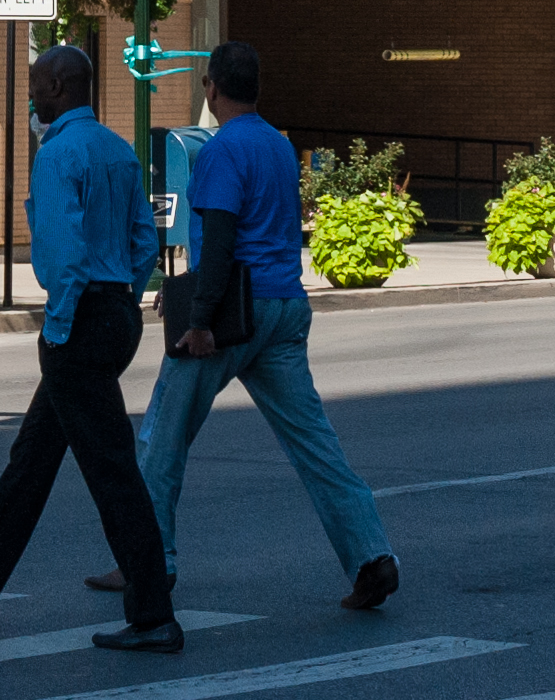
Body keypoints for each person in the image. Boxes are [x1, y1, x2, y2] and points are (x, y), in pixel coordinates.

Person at [87, 39, 398, 611]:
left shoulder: (222, 151)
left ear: (211, 88)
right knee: (315, 445)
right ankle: (371, 556)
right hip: (284, 308)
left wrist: (199, 319)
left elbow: (223, 240)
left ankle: (148, 565)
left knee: (162, 435)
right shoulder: (279, 147)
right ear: (257, 88)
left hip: (234, 314)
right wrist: (188, 298)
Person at [0, 44, 182, 655]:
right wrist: (122, 294)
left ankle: (153, 615)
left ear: (62, 87)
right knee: (34, 453)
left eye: (38, 87)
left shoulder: (59, 153)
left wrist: (61, 328)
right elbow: (146, 240)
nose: (33, 97)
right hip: (115, 311)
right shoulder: (118, 151)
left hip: (80, 321)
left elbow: (62, 258)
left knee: (110, 469)